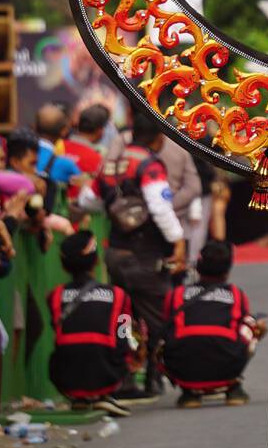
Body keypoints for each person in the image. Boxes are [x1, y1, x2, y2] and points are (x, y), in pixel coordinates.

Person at [79, 107, 187, 398]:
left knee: (123, 316)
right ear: (158, 138)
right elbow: (160, 209)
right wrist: (178, 242)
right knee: (158, 319)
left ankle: (125, 380)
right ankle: (156, 378)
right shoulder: (150, 165)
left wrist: (115, 207)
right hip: (145, 257)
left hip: (116, 253)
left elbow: (87, 199)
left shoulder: (112, 163)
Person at [161, 234, 265, 408]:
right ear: (227, 270)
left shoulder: (176, 294)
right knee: (253, 326)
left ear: (198, 267)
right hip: (226, 363)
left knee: (169, 333)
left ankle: (188, 393)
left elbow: (165, 327)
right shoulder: (236, 294)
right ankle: (233, 387)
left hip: (182, 365)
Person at [48, 230, 138, 417]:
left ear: (64, 267)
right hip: (109, 373)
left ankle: (79, 398)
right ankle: (104, 395)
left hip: (66, 378)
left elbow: (58, 332)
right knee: (127, 339)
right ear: (96, 261)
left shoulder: (54, 296)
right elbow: (125, 336)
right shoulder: (119, 296)